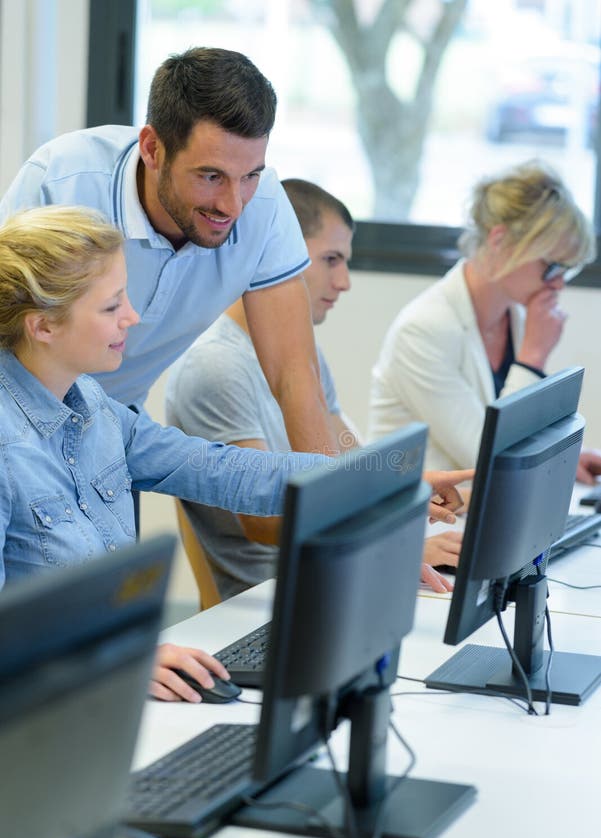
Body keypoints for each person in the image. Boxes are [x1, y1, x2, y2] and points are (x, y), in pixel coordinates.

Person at [0, 207, 465, 700]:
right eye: (112, 306)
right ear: (43, 327)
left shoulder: (94, 407)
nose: (132, 317)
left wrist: (381, 480)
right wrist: (107, 655)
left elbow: (224, 470)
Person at [0, 47, 338, 455]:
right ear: (153, 149)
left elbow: (293, 375)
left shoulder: (263, 205)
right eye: (211, 176)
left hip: (117, 427)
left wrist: (334, 504)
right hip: (17, 425)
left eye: (250, 175)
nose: (232, 205)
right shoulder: (60, 183)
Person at [166, 179, 465, 600]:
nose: (343, 281)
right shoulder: (216, 366)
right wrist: (390, 542)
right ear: (279, 255)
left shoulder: (303, 354)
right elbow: (263, 515)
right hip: (274, 599)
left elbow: (345, 454)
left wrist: (408, 486)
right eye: (331, 259)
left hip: (334, 574)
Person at [368, 159, 601, 483]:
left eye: (567, 270)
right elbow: (492, 459)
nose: (558, 284)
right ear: (500, 241)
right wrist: (532, 358)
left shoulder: (516, 315)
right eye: (552, 267)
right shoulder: (423, 330)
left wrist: (565, 456)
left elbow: (524, 437)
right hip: (430, 525)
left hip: (483, 515)